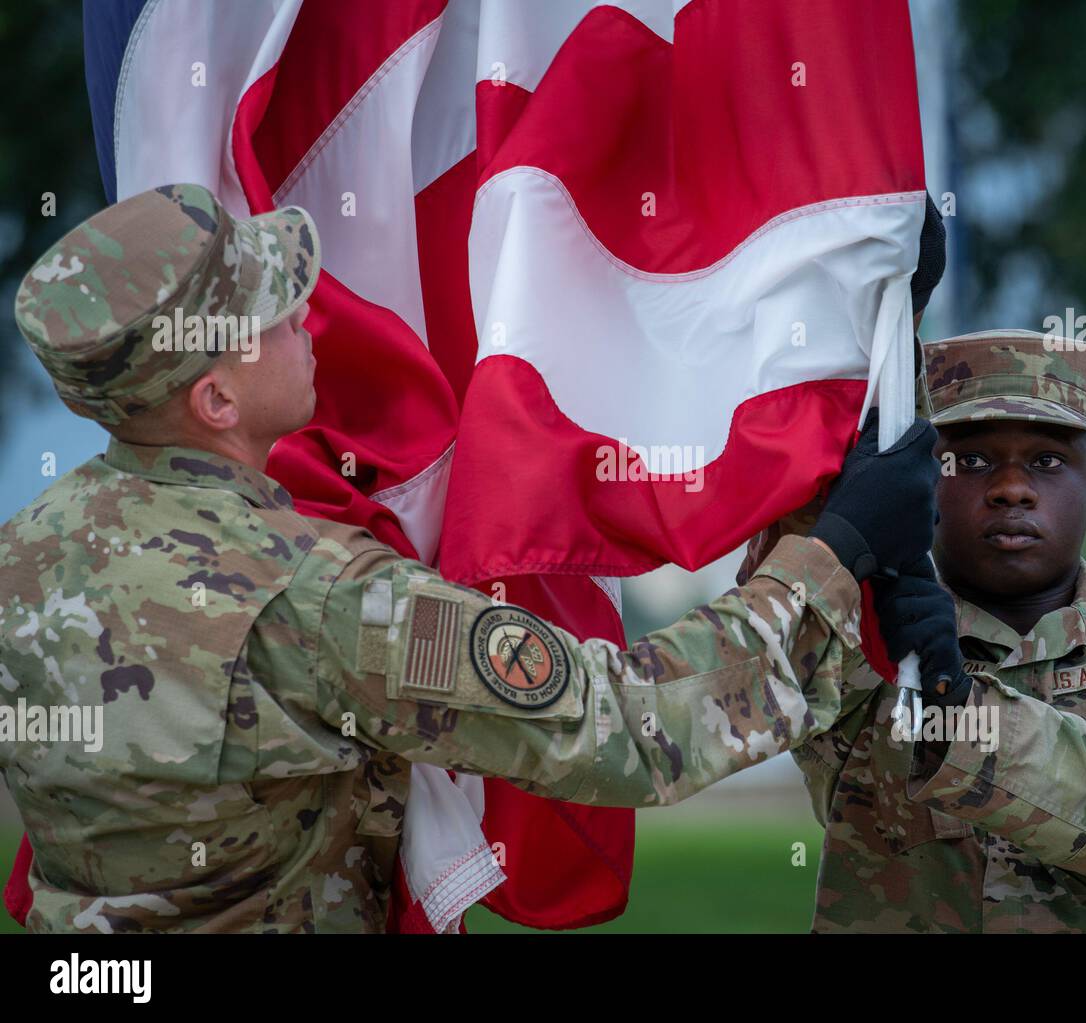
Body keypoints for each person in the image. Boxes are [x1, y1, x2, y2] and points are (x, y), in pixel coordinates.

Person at [0, 183, 940, 933]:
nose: (307, 318)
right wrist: (835, 547)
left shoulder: (22, 555)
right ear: (214, 401)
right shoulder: (309, 592)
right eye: (274, 313)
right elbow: (626, 725)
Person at [741, 329, 1086, 933]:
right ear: (922, 485)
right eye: (970, 461)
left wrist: (958, 707)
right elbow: (759, 657)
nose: (1010, 489)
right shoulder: (862, 635)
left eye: (1047, 461)